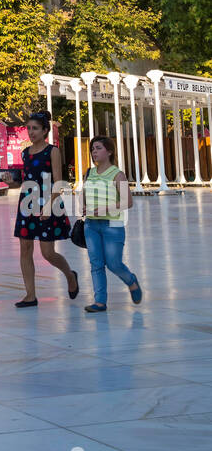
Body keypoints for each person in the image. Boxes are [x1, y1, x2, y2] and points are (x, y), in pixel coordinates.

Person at [14, 109, 79, 308]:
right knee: (25, 248)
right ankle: (30, 295)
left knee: (47, 252)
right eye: (29, 128)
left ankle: (70, 275)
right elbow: (26, 179)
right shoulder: (25, 153)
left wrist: (49, 206)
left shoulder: (53, 151)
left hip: (48, 203)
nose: (31, 132)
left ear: (45, 131)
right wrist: (12, 179)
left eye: (35, 129)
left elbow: (59, 182)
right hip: (28, 203)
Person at [82, 135, 143, 313]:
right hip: (91, 225)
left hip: (113, 225)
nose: (94, 151)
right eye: (93, 148)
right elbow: (85, 196)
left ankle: (131, 281)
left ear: (109, 151)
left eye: (98, 148)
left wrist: (103, 208)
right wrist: (85, 207)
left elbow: (128, 202)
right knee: (96, 264)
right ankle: (100, 301)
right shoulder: (89, 173)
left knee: (114, 263)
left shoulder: (118, 174)